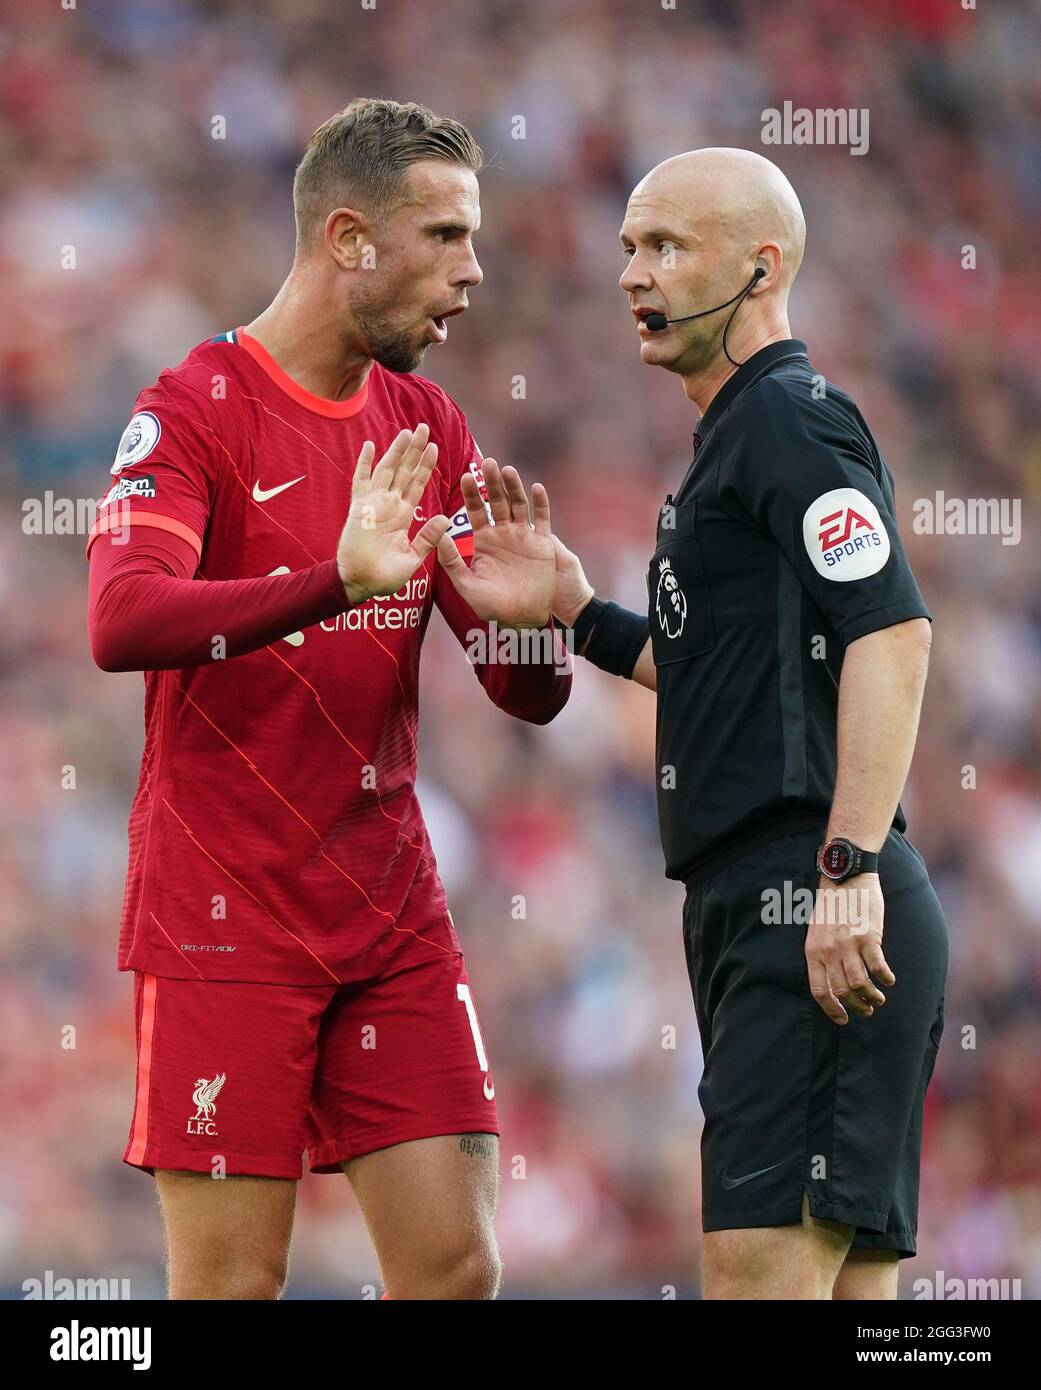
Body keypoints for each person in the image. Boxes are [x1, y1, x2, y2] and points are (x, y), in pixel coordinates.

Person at [86, 97, 569, 1301]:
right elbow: (121, 618)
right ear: (349, 237)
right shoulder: (194, 406)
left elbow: (521, 692)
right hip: (224, 911)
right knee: (234, 1285)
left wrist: (535, 633)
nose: (473, 273)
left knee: (457, 1269)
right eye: (447, 237)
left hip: (387, 907)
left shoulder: (427, 423)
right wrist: (328, 583)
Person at [517, 147, 947, 1299]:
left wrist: (846, 864)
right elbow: (723, 676)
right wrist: (579, 615)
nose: (631, 275)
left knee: (758, 1277)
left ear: (759, 269)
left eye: (664, 246)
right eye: (626, 249)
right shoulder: (733, 442)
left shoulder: (789, 421)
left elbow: (892, 631)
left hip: (810, 896)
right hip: (781, 901)